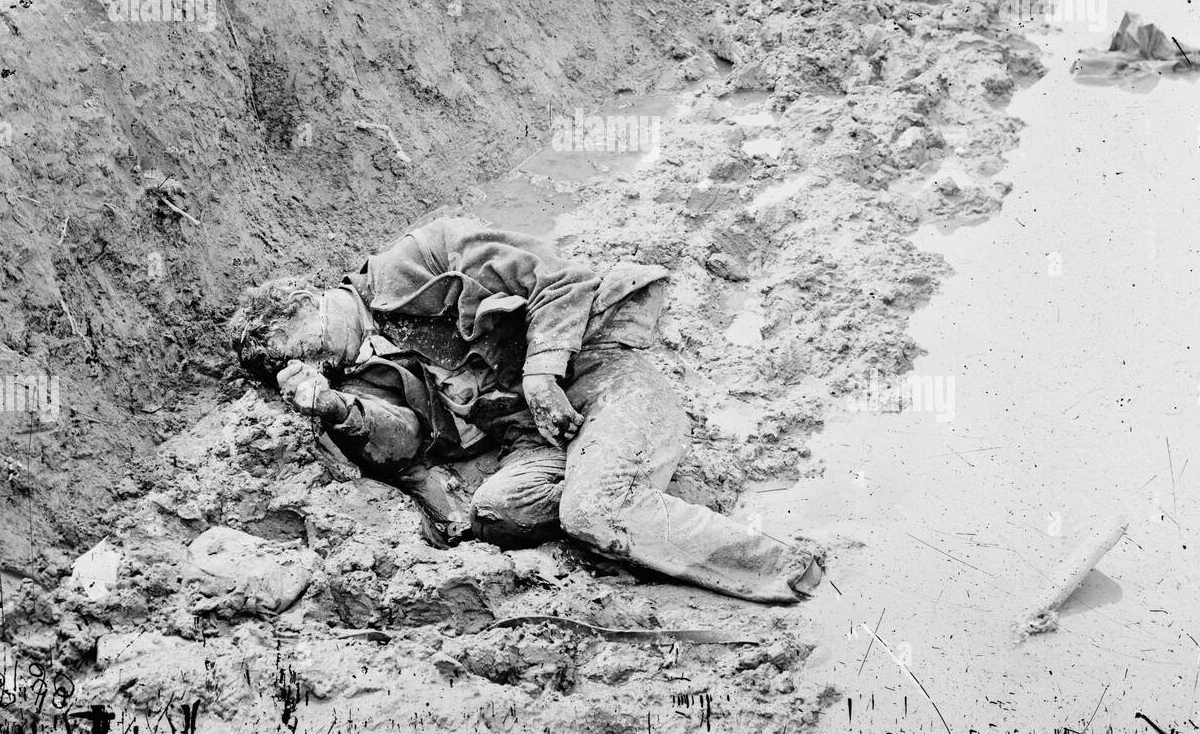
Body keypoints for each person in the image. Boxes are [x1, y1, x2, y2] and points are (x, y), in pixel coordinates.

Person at [228, 216, 822, 603]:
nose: (323, 358)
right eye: (307, 362)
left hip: (602, 374)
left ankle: (789, 569)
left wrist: (542, 371)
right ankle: (629, 488)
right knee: (497, 512)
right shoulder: (362, 372)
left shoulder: (421, 258)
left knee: (592, 510)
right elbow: (403, 442)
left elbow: (562, 281)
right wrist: (331, 405)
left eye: (311, 341)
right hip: (537, 442)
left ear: (307, 299)